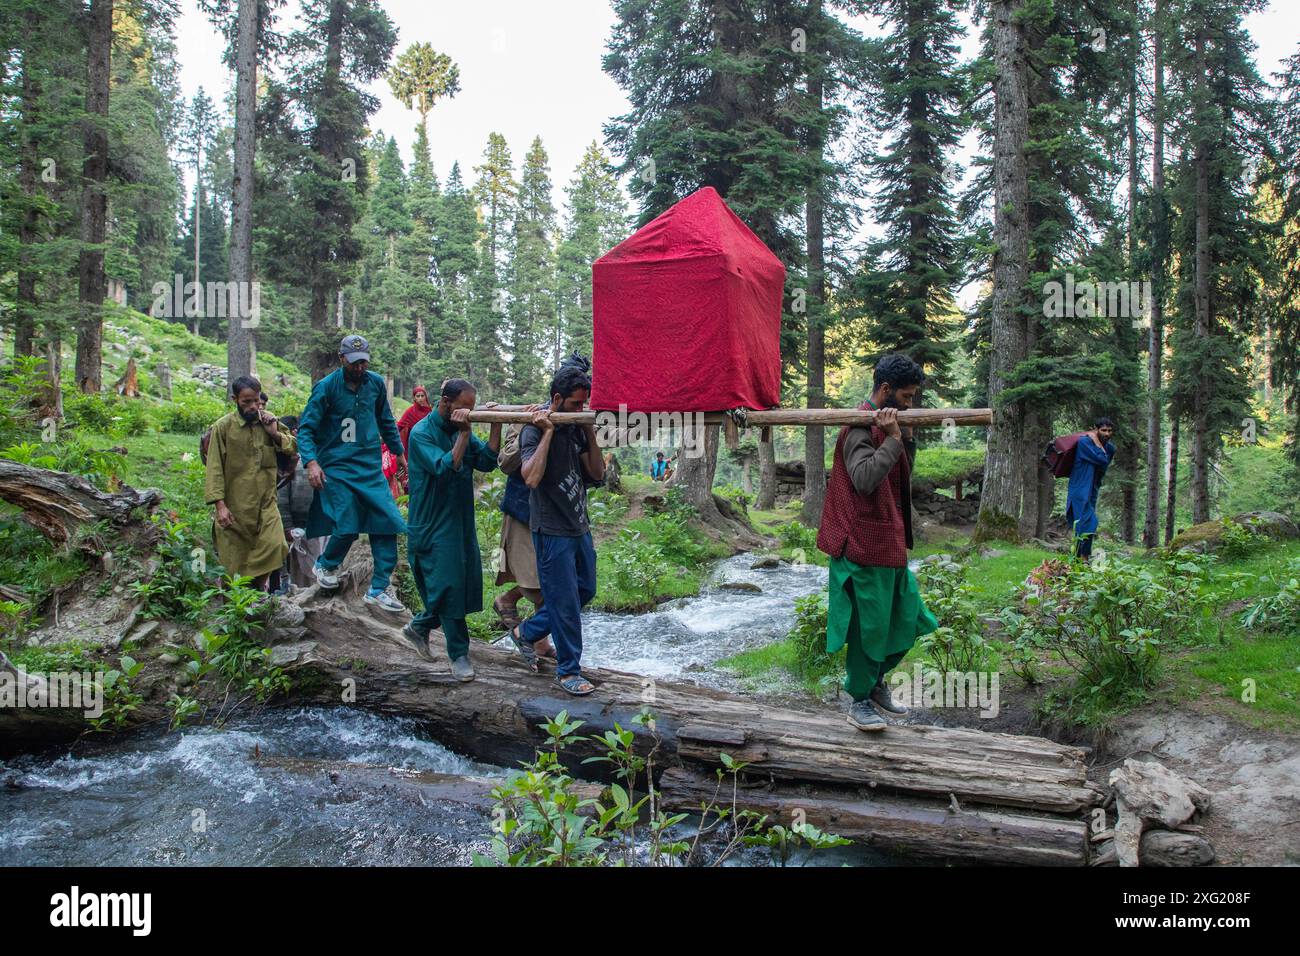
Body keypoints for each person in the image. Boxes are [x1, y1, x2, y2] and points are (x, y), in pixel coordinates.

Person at [816, 353, 938, 732]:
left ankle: (876, 684)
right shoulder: (857, 427)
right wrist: (894, 439)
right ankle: (859, 700)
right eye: (905, 397)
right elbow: (865, 478)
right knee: (867, 629)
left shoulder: (888, 427)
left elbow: (899, 473)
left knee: (908, 617)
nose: (910, 404)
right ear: (885, 391)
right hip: (861, 546)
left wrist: (907, 442)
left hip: (889, 542)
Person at [507, 355, 605, 695]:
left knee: (585, 590)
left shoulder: (579, 427)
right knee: (563, 602)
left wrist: (589, 429)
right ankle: (568, 672)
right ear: (557, 400)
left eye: (585, 403)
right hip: (550, 529)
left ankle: (526, 632)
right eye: (576, 404)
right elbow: (531, 477)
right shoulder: (533, 427)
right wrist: (548, 432)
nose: (581, 408)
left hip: (579, 525)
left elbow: (597, 473)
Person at [296, 334, 409, 612]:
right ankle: (326, 565)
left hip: (369, 466)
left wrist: (399, 453)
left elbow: (385, 419)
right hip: (337, 466)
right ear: (342, 358)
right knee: (347, 523)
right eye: (354, 362)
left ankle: (380, 588)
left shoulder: (376, 384)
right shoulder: (326, 388)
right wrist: (311, 463)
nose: (360, 368)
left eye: (364, 362)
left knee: (388, 521)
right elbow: (307, 429)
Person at [400, 379, 502, 679]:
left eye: (472, 409)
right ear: (446, 402)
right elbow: (446, 467)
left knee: (461, 583)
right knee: (448, 586)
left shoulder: (461, 432)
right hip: (431, 524)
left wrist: (495, 425)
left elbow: (486, 461)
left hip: (458, 521)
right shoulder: (421, 434)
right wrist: (465, 432)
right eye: (464, 408)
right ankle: (458, 655)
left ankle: (418, 627)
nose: (468, 414)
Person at [204, 375, 296, 590]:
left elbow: (292, 447)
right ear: (235, 399)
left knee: (276, 546)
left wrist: (274, 434)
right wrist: (220, 505)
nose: (253, 406)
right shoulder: (223, 427)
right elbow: (214, 467)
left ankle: (256, 590)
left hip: (266, 503)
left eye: (256, 400)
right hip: (236, 505)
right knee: (234, 561)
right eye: (247, 402)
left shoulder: (269, 422)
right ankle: (240, 604)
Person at [493, 404, 557, 662]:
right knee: (538, 581)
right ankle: (537, 639)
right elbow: (506, 463)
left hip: (553, 512)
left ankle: (538, 639)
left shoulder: (566, 422)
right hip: (523, 510)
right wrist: (532, 431)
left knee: (550, 574)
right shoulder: (521, 421)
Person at [275, 415, 326, 589]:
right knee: (298, 577)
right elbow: (281, 494)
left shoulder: (330, 457)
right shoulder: (293, 460)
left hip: (324, 528)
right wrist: (288, 526)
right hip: (297, 528)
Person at [1066, 417, 1116, 561]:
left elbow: (1104, 464)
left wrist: (1099, 446)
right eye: (1103, 430)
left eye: (1110, 431)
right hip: (1079, 488)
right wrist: (1095, 442)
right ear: (1096, 430)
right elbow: (1101, 459)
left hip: (1093, 489)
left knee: (1083, 524)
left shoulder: (1110, 448)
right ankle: (1084, 557)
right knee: (1089, 521)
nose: (1107, 434)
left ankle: (1079, 558)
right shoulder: (1084, 442)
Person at [397, 385, 432, 452]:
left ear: (425, 397)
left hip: (427, 442)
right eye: (418, 396)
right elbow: (399, 426)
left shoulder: (429, 411)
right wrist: (388, 437)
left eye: (422, 396)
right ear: (414, 398)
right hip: (414, 444)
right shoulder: (410, 412)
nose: (420, 398)